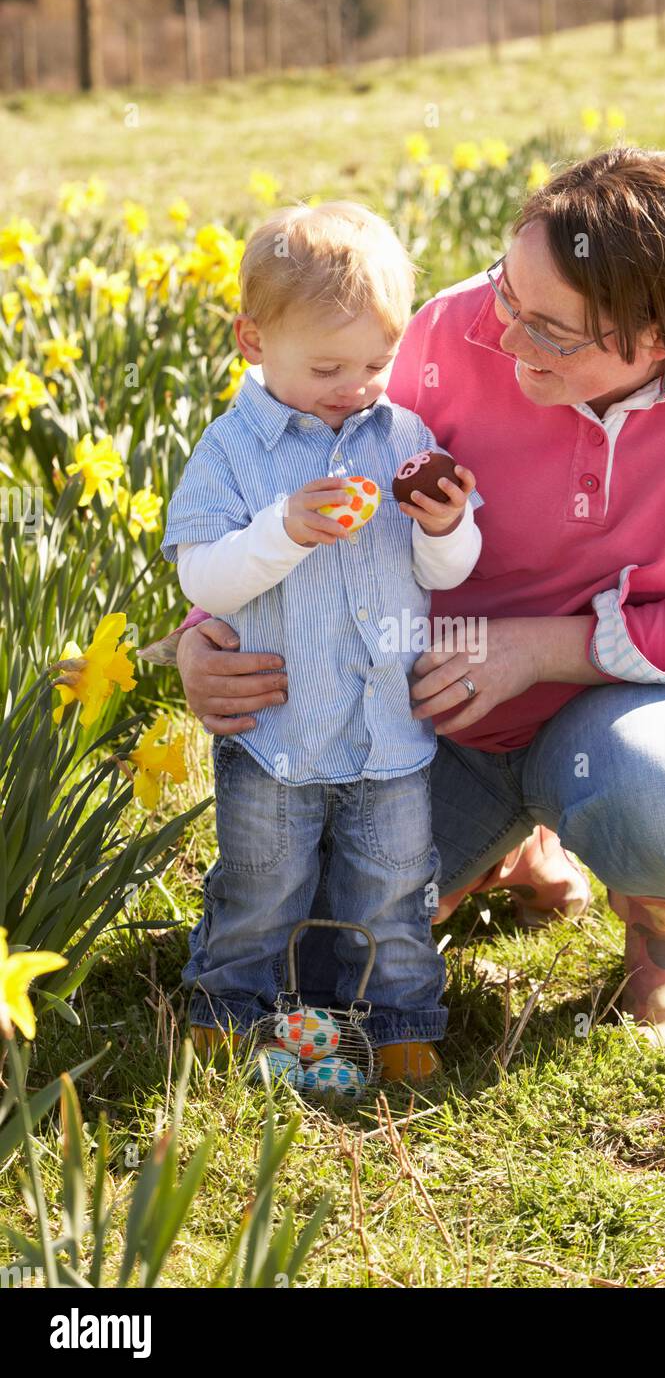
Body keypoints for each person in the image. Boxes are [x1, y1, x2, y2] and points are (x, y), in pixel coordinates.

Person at [146, 147, 665, 1045]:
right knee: (318, 953)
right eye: (509, 292)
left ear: (655, 340)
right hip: (444, 716)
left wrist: (536, 651)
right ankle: (517, 849)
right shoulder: (447, 333)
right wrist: (205, 631)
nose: (504, 336)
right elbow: (319, 490)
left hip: (636, 708)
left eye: (550, 329)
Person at [159, 201, 483, 1081]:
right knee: (261, 882)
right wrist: (282, 532)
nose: (355, 386)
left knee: (394, 886)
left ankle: (402, 1019)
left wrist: (445, 526)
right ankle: (228, 1007)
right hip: (279, 728)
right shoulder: (232, 451)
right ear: (253, 341)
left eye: (377, 363)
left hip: (389, 732)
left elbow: (449, 572)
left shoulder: (403, 434)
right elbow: (204, 580)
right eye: (328, 366)